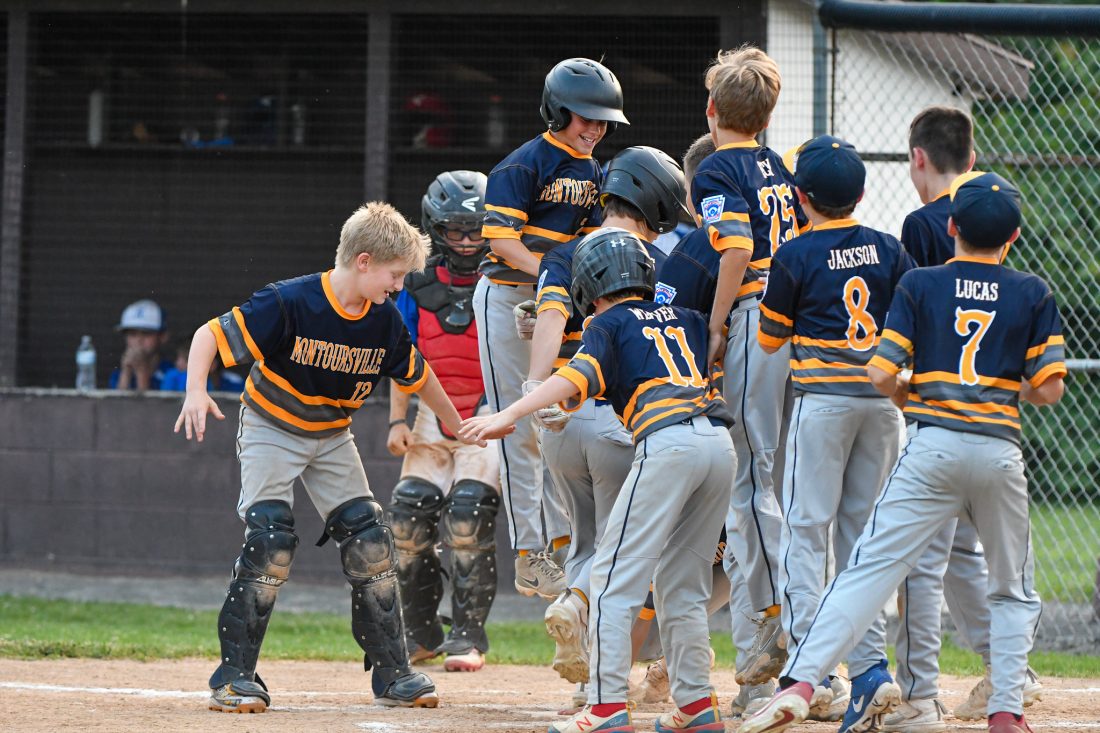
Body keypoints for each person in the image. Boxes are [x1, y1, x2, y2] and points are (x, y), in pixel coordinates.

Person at [738, 172, 1066, 733]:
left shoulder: (924, 286)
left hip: (930, 446)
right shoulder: (1032, 291)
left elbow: (881, 369)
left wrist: (910, 393)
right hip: (997, 454)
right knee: (1010, 587)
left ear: (953, 226)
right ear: (1013, 235)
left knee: (866, 570)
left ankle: (802, 680)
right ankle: (1006, 710)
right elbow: (1050, 389)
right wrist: (1009, 389)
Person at [173, 201, 482, 714]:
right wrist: (194, 390)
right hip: (272, 425)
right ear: (364, 261)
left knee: (371, 542)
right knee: (271, 541)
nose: (399, 287)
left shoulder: (381, 321)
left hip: (332, 435)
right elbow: (210, 333)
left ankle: (392, 673)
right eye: (394, 275)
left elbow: (417, 373)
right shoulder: (290, 301)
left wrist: (454, 423)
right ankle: (234, 677)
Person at [463, 229, 735, 733]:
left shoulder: (607, 322)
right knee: (684, 584)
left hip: (667, 445)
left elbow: (573, 378)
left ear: (588, 284)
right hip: (719, 446)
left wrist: (512, 412)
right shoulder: (691, 319)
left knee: (611, 578)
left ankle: (607, 708)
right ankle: (697, 705)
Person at [886, 106, 1043, 732]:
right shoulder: (995, 216)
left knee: (925, 556)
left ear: (917, 157)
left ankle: (921, 692)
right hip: (997, 418)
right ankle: (1010, 673)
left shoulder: (922, 225)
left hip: (934, 415)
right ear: (972, 162)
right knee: (970, 554)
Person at [758, 135, 915, 731]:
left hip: (822, 407)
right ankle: (872, 667)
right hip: (882, 406)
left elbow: (771, 339)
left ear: (801, 198)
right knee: (864, 541)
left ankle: (810, 667)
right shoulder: (888, 248)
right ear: (863, 191)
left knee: (805, 531)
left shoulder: (795, 254)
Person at [520, 145, 681, 690]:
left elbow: (549, 317)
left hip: (562, 417)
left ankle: (584, 658)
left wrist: (537, 391)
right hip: (620, 418)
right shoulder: (657, 262)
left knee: (587, 543)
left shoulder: (565, 253)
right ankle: (585, 636)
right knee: (619, 557)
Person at [476, 57, 629, 599]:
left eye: (602, 120)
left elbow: (588, 242)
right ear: (556, 110)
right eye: (583, 117)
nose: (594, 128)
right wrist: (551, 277)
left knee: (555, 420)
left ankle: (565, 541)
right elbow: (501, 242)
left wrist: (563, 290)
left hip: (553, 302)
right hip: (505, 295)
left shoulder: (594, 171)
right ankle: (528, 552)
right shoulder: (522, 165)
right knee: (517, 429)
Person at [694, 45, 808, 693]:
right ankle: (793, 636)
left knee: (750, 478)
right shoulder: (781, 165)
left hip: (755, 318)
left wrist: (714, 325)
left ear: (712, 109)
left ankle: (772, 618)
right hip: (801, 317)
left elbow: (734, 247)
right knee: (787, 479)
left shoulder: (716, 169)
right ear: (766, 114)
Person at [386, 170, 501, 674]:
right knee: (407, 522)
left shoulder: (506, 279)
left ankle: (468, 636)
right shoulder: (416, 284)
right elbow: (401, 355)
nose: (469, 241)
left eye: (477, 230)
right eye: (457, 230)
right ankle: (422, 633)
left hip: (488, 414)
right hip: (431, 416)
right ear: (437, 228)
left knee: (467, 520)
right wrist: (396, 421)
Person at [109, 299, 174, 391]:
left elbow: (154, 405)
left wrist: (142, 373)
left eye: (146, 333)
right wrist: (126, 374)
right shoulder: (117, 374)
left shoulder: (171, 373)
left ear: (163, 336)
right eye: (132, 334)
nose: (139, 340)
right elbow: (115, 404)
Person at [161, 338, 244, 392]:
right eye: (178, 358)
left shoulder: (235, 382)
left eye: (188, 359)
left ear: (212, 364)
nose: (178, 363)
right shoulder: (173, 378)